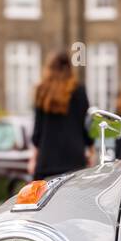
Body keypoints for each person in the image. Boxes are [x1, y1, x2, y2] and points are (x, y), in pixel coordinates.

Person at [30, 51, 92, 179]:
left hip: (46, 162)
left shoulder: (42, 90)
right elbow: (86, 127)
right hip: (74, 162)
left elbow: (37, 133)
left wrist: (33, 159)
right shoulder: (79, 91)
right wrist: (90, 150)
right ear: (70, 68)